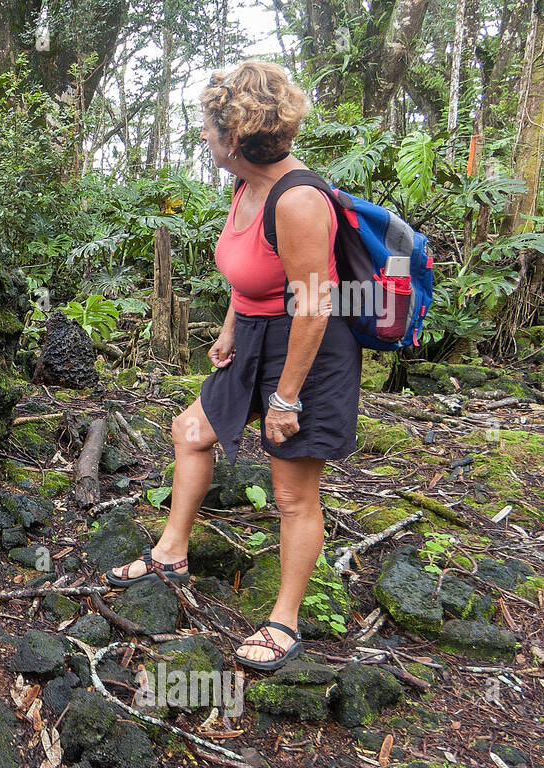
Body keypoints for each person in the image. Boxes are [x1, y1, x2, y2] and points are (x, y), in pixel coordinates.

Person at [108, 60, 361, 672]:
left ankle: (284, 621)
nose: (203, 137)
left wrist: (285, 398)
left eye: (210, 129)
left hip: (308, 349)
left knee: (292, 493)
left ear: (238, 137)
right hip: (252, 336)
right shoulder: (244, 185)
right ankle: (171, 551)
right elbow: (249, 275)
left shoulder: (298, 199)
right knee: (191, 431)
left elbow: (315, 306)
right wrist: (228, 333)